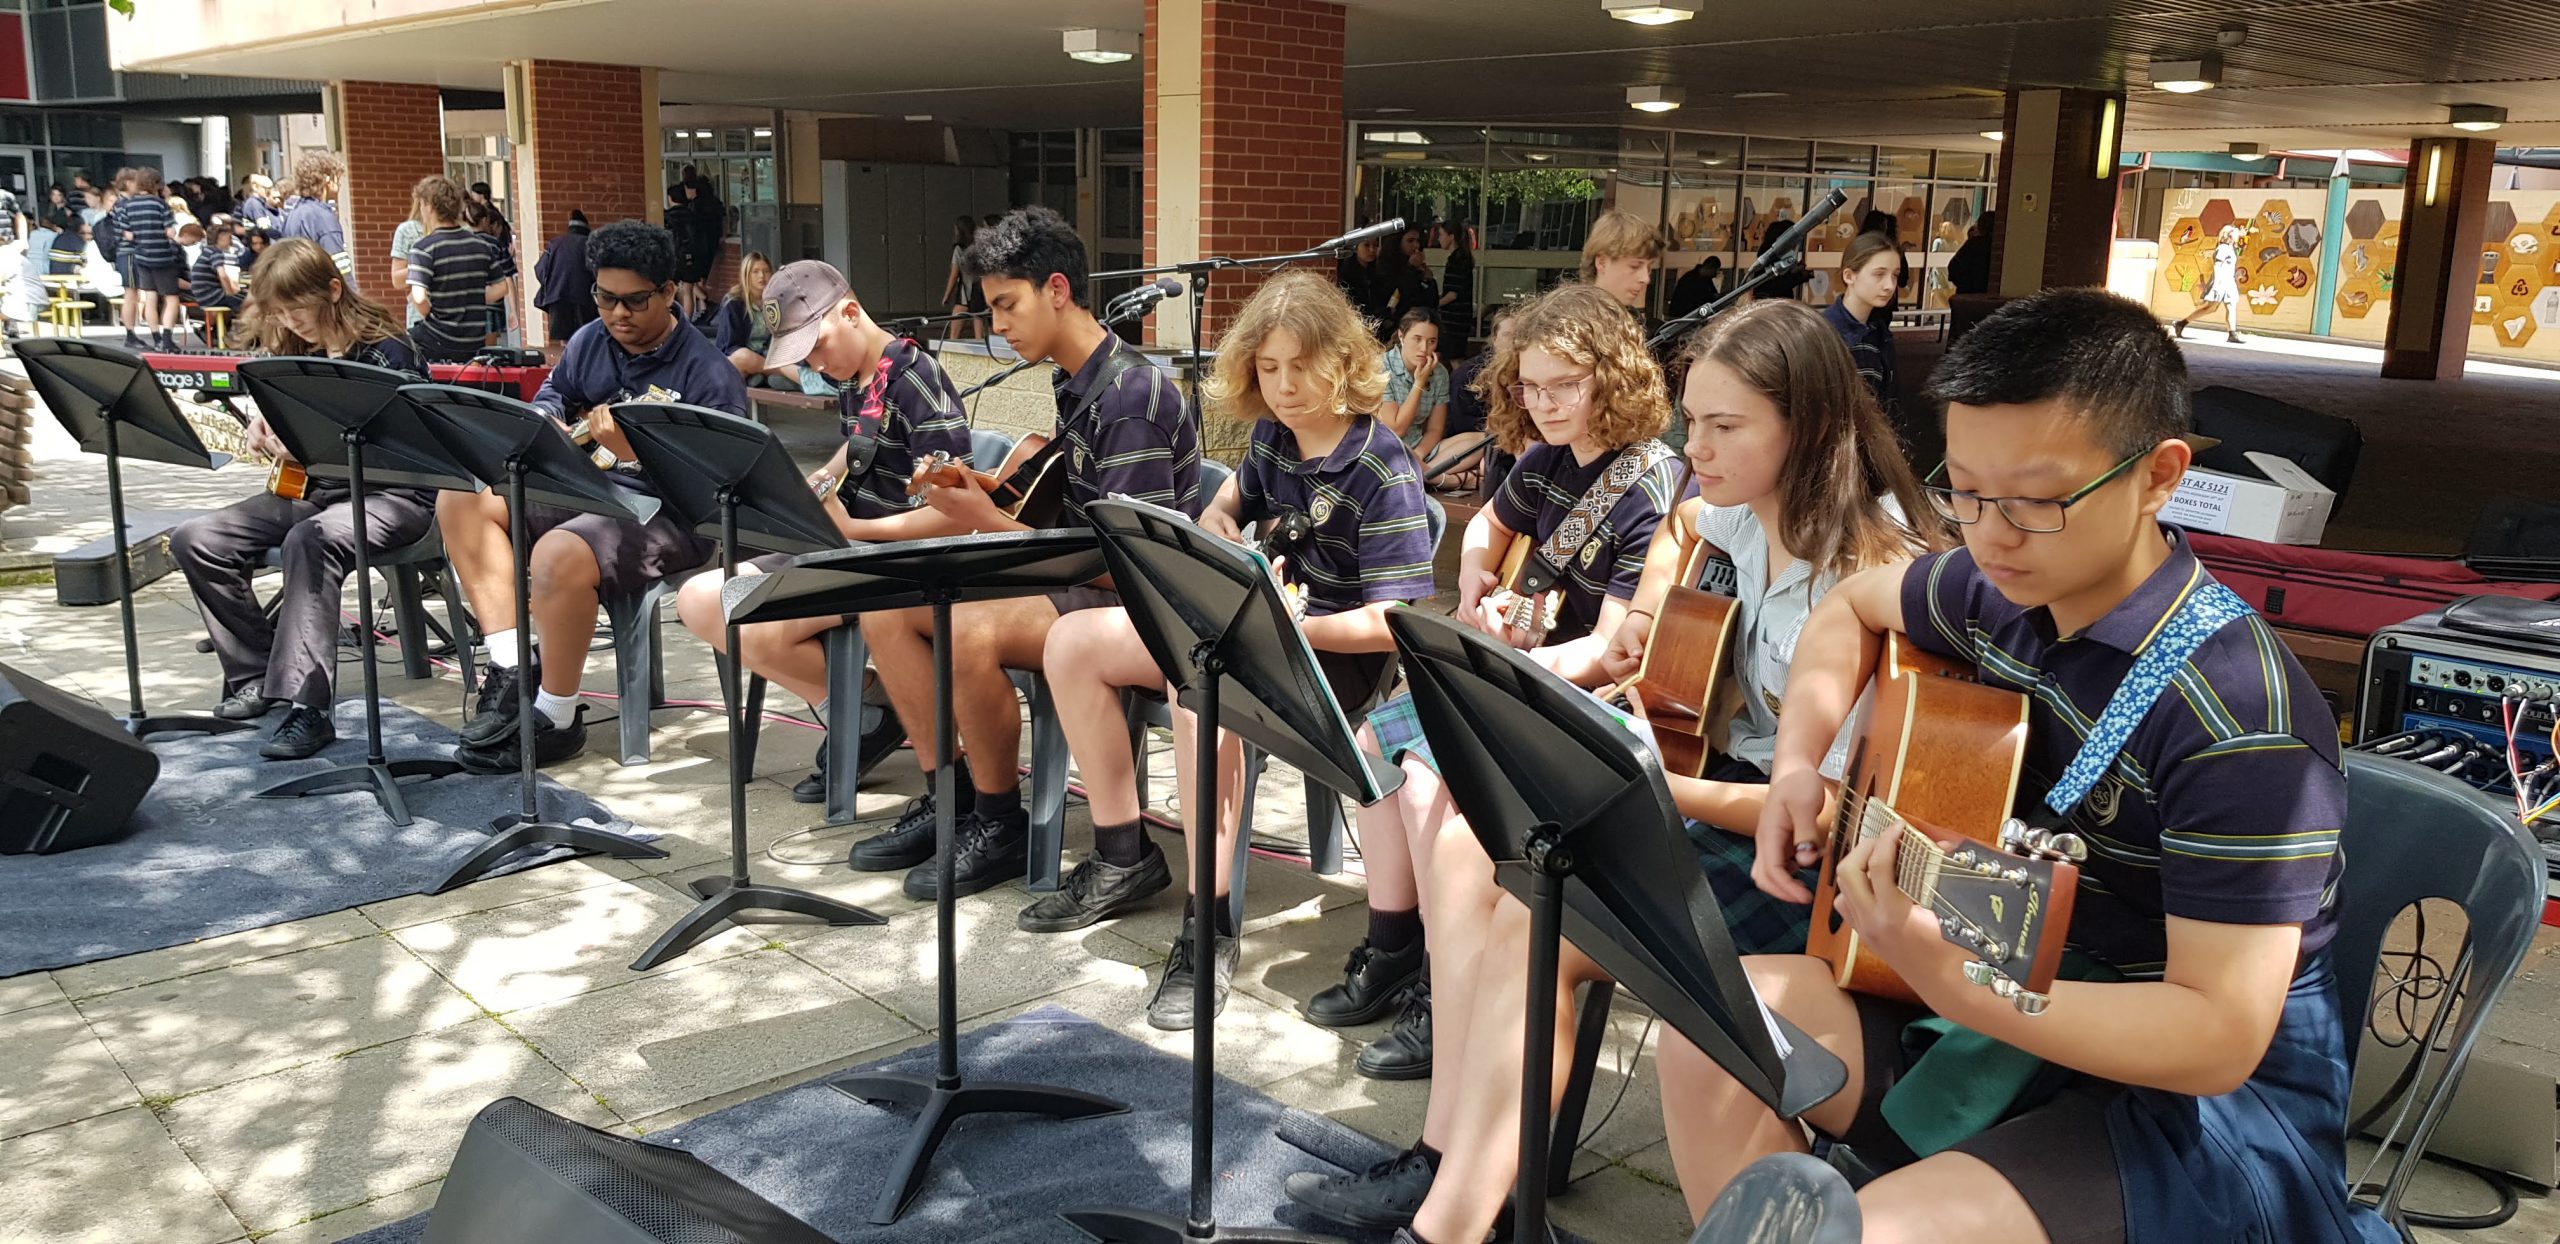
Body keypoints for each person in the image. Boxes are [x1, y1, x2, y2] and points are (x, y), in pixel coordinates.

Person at [1653, 287, 2387, 1244]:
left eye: (2038, 501)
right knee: (1707, 1030)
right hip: (2003, 993)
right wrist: (1797, 765)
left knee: (1876, 1232)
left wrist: (1960, 985)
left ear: (2159, 476)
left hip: (2194, 1110)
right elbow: (1851, 611)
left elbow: (2216, 1036)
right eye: (1963, 490)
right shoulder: (1995, 587)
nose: (1990, 533)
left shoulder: (2241, 715)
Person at [1281, 298, 1934, 1239]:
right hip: (1711, 800)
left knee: (1532, 902)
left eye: (1723, 426)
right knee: (1487, 861)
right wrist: (1648, 628)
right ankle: (1456, 1171)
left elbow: (1830, 815)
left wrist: (1654, 786)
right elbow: (1681, 525)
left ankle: (1456, 1206)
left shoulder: (1871, 568)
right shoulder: (1740, 517)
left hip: (1796, 866)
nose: (1694, 446)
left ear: (1811, 426)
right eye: (1691, 420)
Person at [1029, 272, 1436, 1029]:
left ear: (1342, 362)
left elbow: (1395, 622)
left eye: (1301, 367)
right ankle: (1123, 853)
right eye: (1269, 369)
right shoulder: (1273, 439)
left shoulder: (1384, 467)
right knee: (1073, 640)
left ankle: (1205, 926)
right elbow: (1225, 503)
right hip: (1249, 631)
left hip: (1326, 661)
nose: (1284, 387)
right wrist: (1217, 528)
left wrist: (1291, 625)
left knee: (1197, 696)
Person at [1308, 282, 1684, 1084]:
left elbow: (1615, 647)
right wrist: (1478, 576)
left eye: (1565, 387)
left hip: (1579, 696)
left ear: (1611, 379)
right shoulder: (1547, 458)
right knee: (1374, 744)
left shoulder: (1648, 486)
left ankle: (1448, 998)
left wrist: (1499, 671)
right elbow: (1485, 524)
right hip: (1520, 668)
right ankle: (1394, 941)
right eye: (1532, 386)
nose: (1544, 405)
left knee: (1426, 790)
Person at [852, 204, 1197, 898]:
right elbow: (1059, 501)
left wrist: (985, 521)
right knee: (889, 604)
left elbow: (1133, 562)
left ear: (1059, 290)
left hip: (1132, 601)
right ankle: (951, 797)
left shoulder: (1130, 393)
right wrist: (974, 486)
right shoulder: (1080, 379)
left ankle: (1000, 822)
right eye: (990, 310)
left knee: (966, 628)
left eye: (1007, 306)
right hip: (1077, 576)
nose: (997, 327)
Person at [437, 220, 747, 771]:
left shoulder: (710, 375)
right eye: (606, 299)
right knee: (461, 498)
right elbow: (556, 393)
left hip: (667, 514)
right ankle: (514, 669)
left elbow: (721, 488)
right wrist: (544, 421)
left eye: (635, 301)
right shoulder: (589, 340)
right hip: (587, 490)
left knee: (559, 550)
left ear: (669, 292)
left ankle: (556, 718)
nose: (618, 315)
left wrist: (632, 455)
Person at [673, 260, 972, 801]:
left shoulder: (918, 379)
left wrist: (856, 526)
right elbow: (863, 439)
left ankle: (874, 714)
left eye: (816, 346)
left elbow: (955, 512)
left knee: (746, 616)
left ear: (852, 313)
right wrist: (821, 479)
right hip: (843, 547)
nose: (814, 363)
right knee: (700, 600)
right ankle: (869, 708)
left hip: (895, 560)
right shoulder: (860, 375)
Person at [165, 237, 438, 760]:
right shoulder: (296, 350)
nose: (290, 321)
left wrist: (310, 447)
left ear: (333, 290)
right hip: (316, 490)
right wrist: (262, 428)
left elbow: (410, 446)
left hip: (398, 494)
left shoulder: (388, 350)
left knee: (310, 539)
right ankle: (255, 674)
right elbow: (286, 422)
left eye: (297, 308)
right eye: (280, 311)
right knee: (196, 538)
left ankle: (307, 706)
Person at [404, 176, 508, 364]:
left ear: (428, 206)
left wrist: (433, 311)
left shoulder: (423, 248)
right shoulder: (480, 244)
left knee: (397, 344)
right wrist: (471, 299)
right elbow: (502, 287)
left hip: (437, 337)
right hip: (474, 339)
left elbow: (419, 298)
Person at [1419, 307, 1513, 493]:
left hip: (1503, 443)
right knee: (1489, 442)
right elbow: (1461, 422)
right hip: (1468, 442)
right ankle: (1430, 477)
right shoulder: (1469, 373)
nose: (1514, 342)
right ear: (1494, 339)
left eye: (1520, 336)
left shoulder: (1528, 370)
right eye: (1508, 335)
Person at [1826, 231, 1901, 427]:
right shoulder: (1824, 332)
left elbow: (1886, 403)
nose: (1889, 285)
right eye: (1879, 274)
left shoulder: (1880, 334)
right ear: (1849, 276)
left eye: (1895, 275)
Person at [114, 167, 185, 352]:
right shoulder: (161, 204)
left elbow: (128, 235)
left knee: (150, 297)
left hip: (141, 257)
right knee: (171, 298)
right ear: (156, 184)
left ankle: (156, 337)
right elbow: (170, 231)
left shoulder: (128, 205)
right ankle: (168, 338)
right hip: (162, 256)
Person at [274, 152, 354, 288]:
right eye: (337, 179)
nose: (339, 184)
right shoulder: (323, 217)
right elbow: (338, 267)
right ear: (327, 180)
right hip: (320, 295)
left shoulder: (294, 214)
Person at [1378, 308, 1447, 449]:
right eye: (1417, 339)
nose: (1424, 348)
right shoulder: (1381, 367)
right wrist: (1419, 383)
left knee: (1477, 442)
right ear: (1401, 336)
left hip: (1419, 448)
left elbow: (1435, 429)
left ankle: (1428, 470)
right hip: (1386, 448)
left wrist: (1420, 457)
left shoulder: (1439, 372)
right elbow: (1396, 429)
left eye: (1431, 341)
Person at [2173, 222, 2245, 343]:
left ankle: (2232, 333)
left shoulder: (2229, 248)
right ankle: (2181, 323)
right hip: (2221, 282)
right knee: (2210, 308)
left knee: (2230, 306)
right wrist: (2216, 284)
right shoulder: (2222, 248)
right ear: (2229, 236)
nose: (2237, 237)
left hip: (2228, 282)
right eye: (2235, 235)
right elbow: (2217, 266)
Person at [532, 209, 595, 343]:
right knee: (587, 337)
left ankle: (567, 360)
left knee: (565, 339)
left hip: (558, 297)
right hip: (585, 297)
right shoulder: (590, 244)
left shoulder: (554, 244)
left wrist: (550, 287)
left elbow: (541, 270)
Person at [710, 250, 774, 375]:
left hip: (765, 355)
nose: (762, 276)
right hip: (740, 358)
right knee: (743, 357)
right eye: (755, 272)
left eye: (766, 271)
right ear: (746, 274)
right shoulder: (733, 303)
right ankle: (791, 375)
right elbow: (730, 347)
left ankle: (763, 376)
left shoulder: (774, 302)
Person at [466, 200, 517, 347]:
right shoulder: (495, 244)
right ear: (485, 220)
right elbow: (507, 277)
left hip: (467, 305)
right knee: (488, 352)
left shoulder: (463, 243)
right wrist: (513, 311)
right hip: (492, 306)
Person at [188, 214, 247, 316]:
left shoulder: (207, 251)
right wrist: (230, 293)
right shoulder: (216, 253)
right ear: (220, 238)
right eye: (229, 238)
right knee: (248, 301)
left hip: (203, 296)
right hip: (211, 296)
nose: (231, 241)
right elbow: (222, 275)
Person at [1387, 226, 1440, 331]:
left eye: (1418, 241)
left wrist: (1428, 280)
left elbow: (1432, 301)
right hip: (1396, 325)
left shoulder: (1421, 268)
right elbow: (1401, 292)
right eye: (1410, 241)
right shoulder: (1388, 265)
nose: (1416, 246)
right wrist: (1410, 268)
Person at [1434, 219, 1474, 351]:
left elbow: (1453, 293)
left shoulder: (1456, 260)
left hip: (1453, 318)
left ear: (1451, 237)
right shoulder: (1463, 257)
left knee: (1453, 356)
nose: (1439, 239)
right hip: (1461, 317)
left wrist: (1435, 304)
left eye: (1441, 235)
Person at [939, 215, 980, 341]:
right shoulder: (979, 246)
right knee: (980, 334)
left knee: (954, 334)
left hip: (965, 292)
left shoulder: (959, 249)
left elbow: (954, 274)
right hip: (979, 290)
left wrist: (947, 295)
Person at [388, 208, 426, 328]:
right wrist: (427, 266)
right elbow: (397, 279)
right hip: (421, 318)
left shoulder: (465, 231)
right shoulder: (408, 230)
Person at [1947, 209, 1995, 297]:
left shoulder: (1974, 244)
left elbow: (1953, 268)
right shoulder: (2000, 247)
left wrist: (1963, 283)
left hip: (1967, 294)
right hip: (1987, 295)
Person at [1667, 254, 1722, 321]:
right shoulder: (1690, 280)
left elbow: (1712, 295)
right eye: (1715, 272)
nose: (1715, 275)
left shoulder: (1706, 279)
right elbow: (1700, 299)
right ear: (1709, 268)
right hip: (1683, 317)